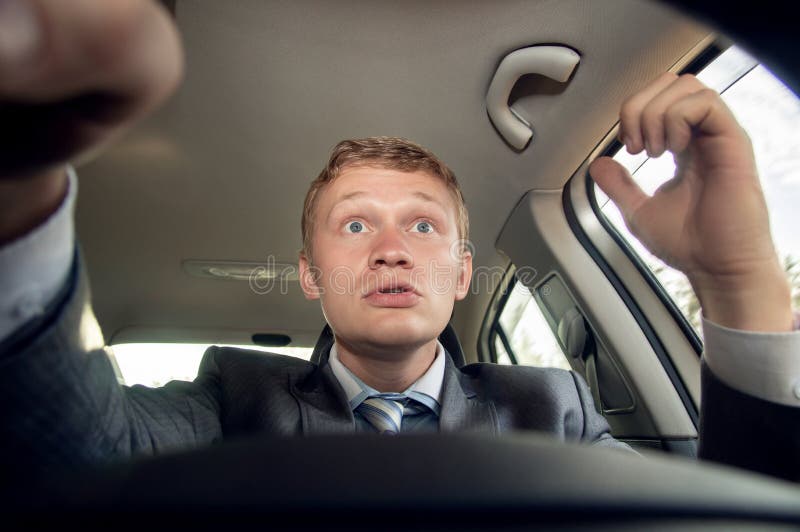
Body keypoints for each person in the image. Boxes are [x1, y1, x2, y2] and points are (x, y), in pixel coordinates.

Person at [0, 0, 798, 484]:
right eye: (355, 225)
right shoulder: (228, 398)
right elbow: (77, 456)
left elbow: (734, 522)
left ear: (461, 274)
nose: (391, 248)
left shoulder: (552, 409)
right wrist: (20, 185)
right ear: (310, 277)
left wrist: (739, 278)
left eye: (423, 224)